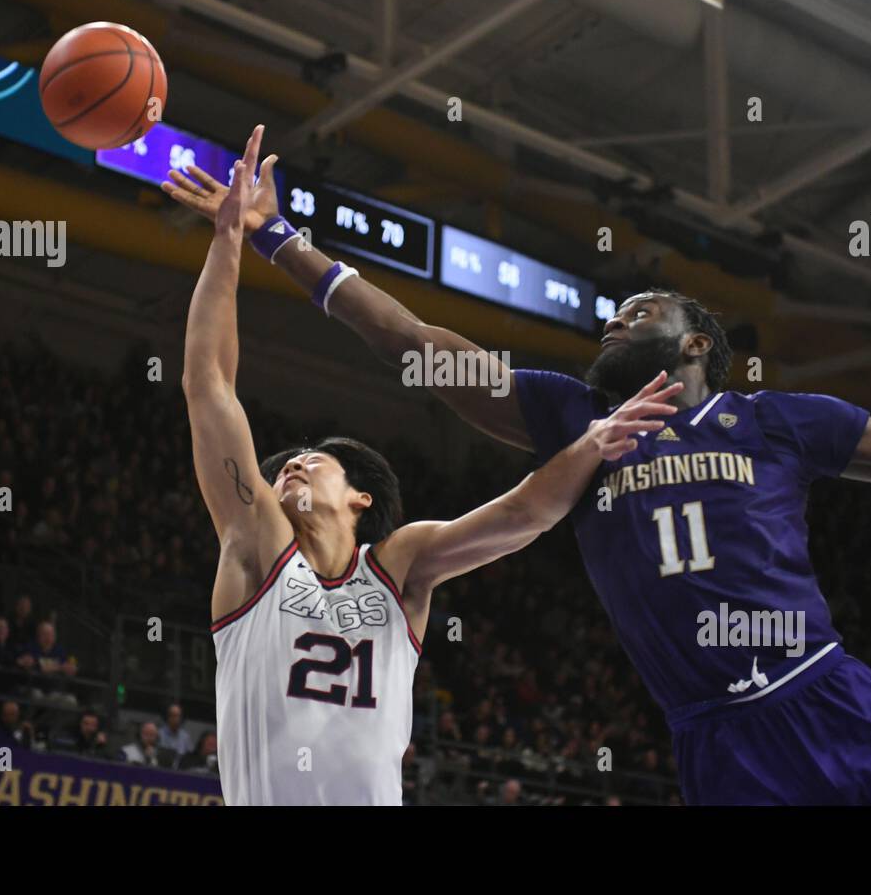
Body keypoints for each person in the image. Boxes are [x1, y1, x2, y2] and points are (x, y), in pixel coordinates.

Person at [165, 130, 871, 806]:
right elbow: (415, 343)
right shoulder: (571, 415)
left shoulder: (777, 421)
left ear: (697, 341)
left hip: (818, 692)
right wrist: (282, 242)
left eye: (639, 308)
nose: (613, 317)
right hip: (710, 737)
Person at [180, 125, 678, 806]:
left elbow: (527, 514)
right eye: (281, 467)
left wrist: (594, 440)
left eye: (313, 460)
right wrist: (229, 240)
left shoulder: (401, 565)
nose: (291, 465)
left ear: (362, 499)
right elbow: (209, 383)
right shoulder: (254, 554)